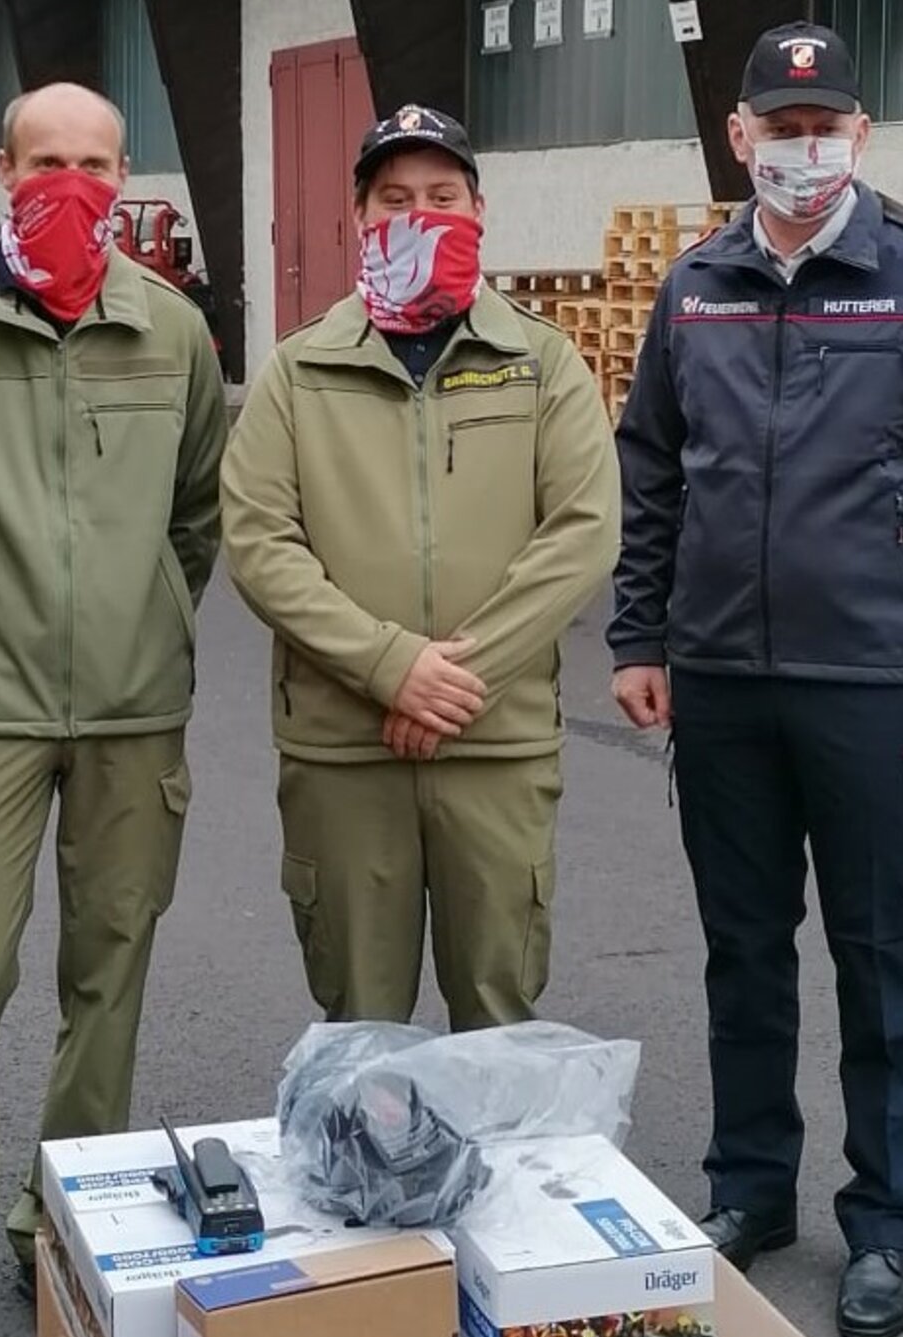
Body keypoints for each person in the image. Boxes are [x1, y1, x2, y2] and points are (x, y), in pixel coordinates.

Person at [609, 22, 903, 1337]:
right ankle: (750, 1190)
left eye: (827, 127)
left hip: (878, 684)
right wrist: (639, 636)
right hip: (728, 686)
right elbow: (654, 476)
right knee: (744, 952)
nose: (805, 149)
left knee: (877, 955)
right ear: (740, 139)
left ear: (861, 138)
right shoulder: (696, 291)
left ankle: (891, 1220)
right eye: (780, 129)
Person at [0, 82, 227, 1337]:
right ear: (2, 171)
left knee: (106, 974)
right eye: (46, 160)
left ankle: (57, 1219)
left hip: (136, 711)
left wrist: (139, 627)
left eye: (94, 161)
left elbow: (197, 518)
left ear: (126, 176)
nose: (69, 180)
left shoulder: (173, 333)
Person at [221, 104, 618, 1028]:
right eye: (396, 197)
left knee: (498, 1002)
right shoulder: (298, 370)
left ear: (479, 208)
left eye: (443, 195)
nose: (420, 213)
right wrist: (389, 669)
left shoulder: (541, 363)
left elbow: (584, 529)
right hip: (344, 746)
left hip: (495, 742)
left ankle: (496, 1177)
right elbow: (258, 540)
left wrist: (451, 679)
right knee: (362, 1020)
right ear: (360, 215)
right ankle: (366, 1178)